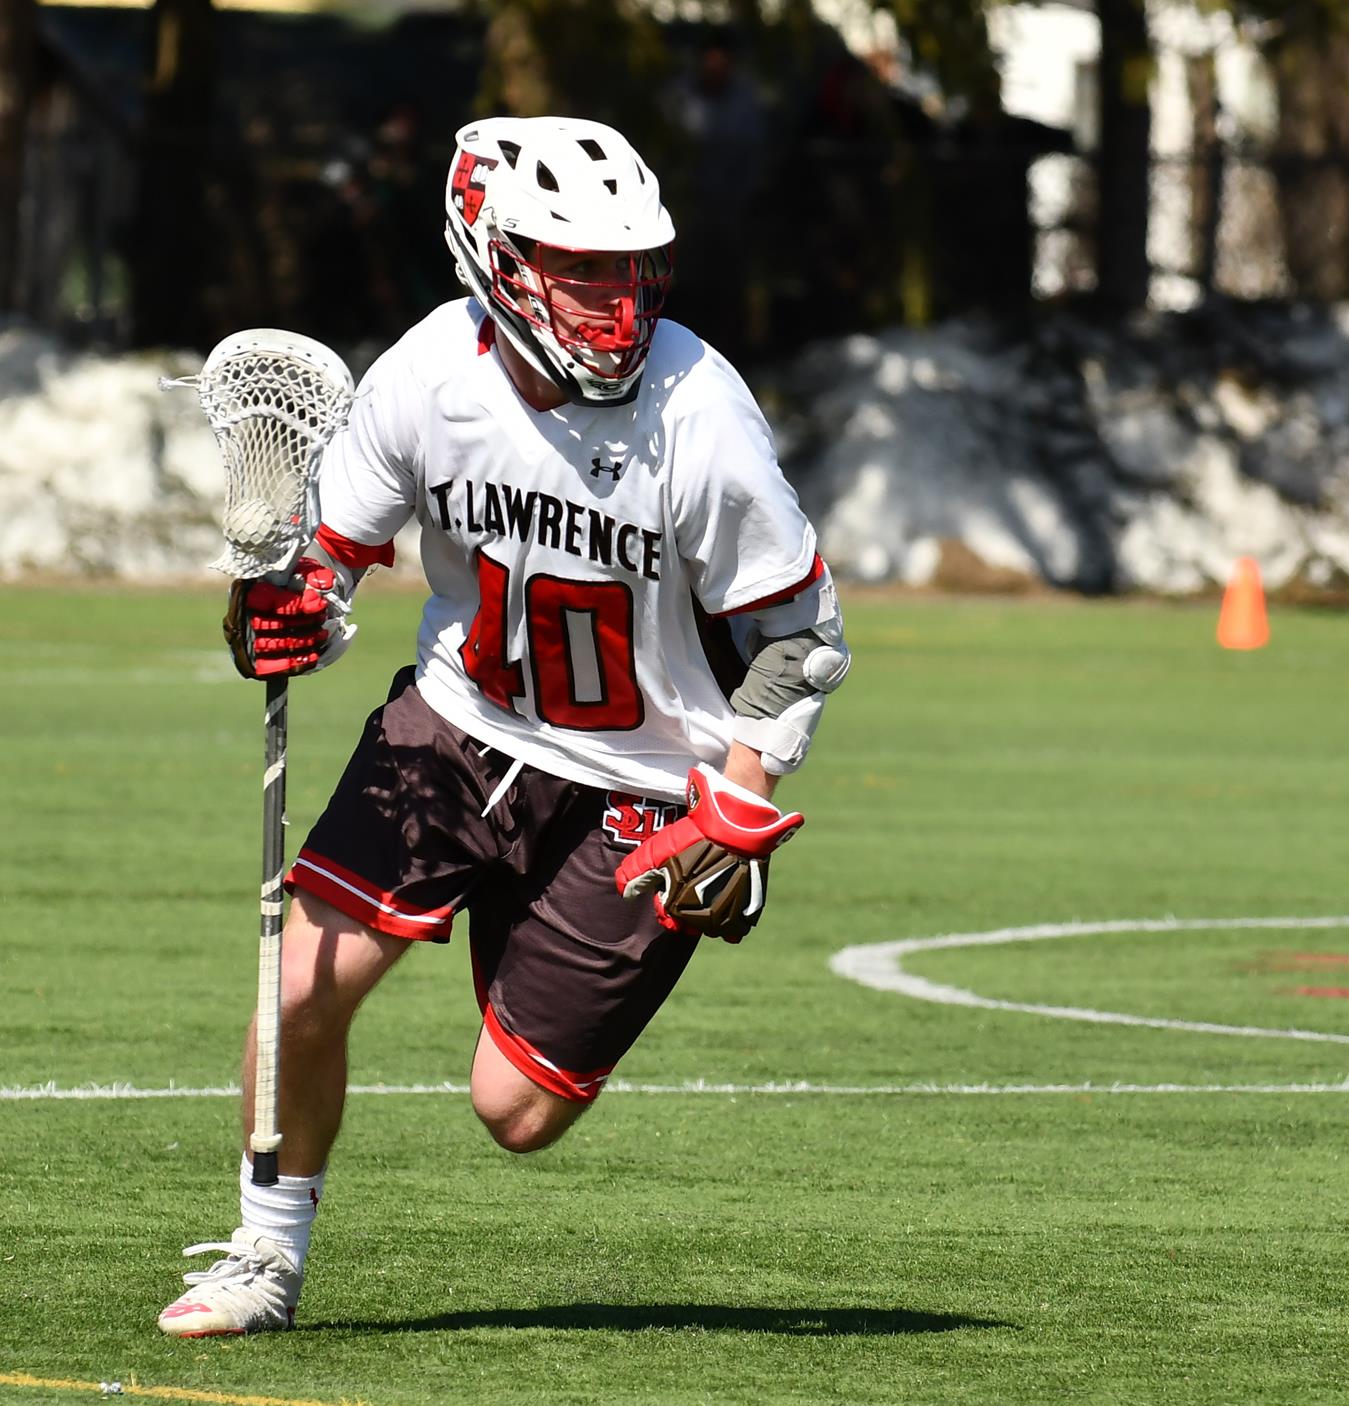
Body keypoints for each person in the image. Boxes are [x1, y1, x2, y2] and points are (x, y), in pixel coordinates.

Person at [157, 115, 850, 1337]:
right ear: (492, 253)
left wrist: (739, 803)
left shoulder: (699, 410)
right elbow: (323, 569)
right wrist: (275, 618)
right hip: (458, 727)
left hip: (643, 777)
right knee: (301, 980)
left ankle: (559, 925)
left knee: (515, 1112)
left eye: (627, 268)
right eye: (576, 266)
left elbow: (803, 634)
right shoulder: (428, 375)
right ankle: (263, 1256)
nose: (612, 300)